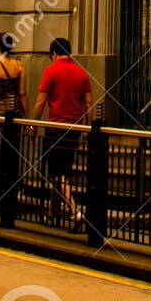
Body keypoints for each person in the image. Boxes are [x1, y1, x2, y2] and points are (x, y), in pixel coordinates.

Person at [33, 38, 93, 232]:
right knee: (60, 172)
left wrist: (33, 123)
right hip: (74, 130)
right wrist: (87, 129)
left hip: (55, 128)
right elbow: (89, 103)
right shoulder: (82, 73)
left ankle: (76, 212)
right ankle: (52, 214)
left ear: (54, 53)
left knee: (59, 174)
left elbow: (41, 101)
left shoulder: (50, 71)